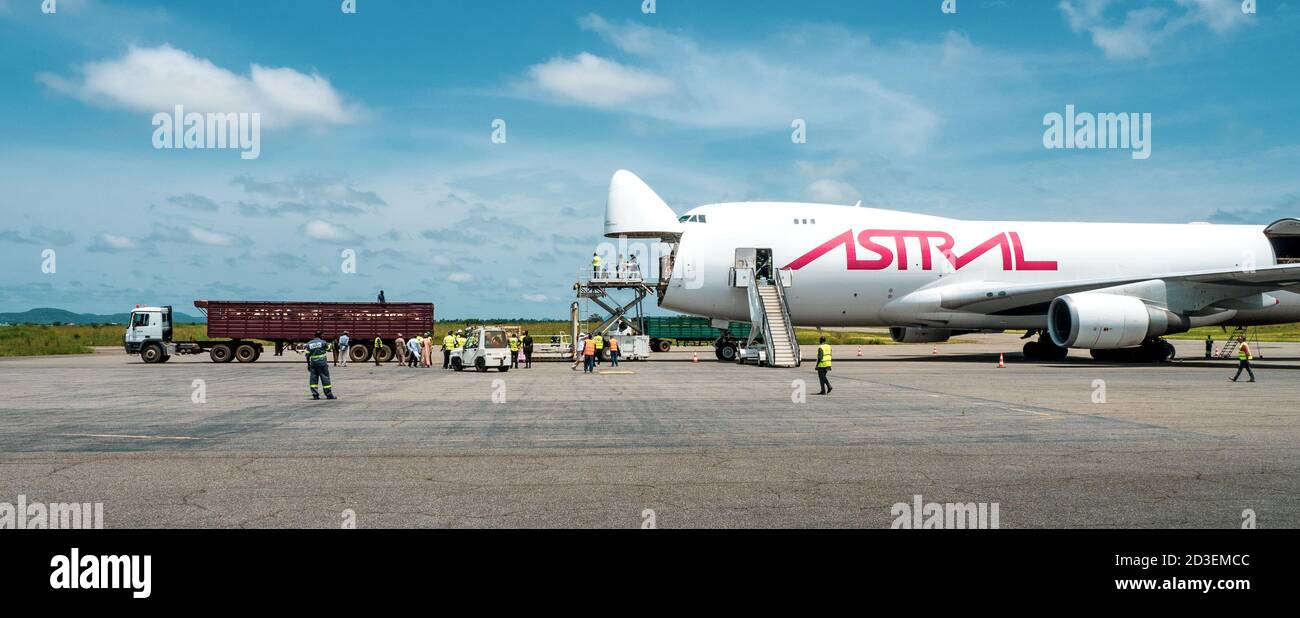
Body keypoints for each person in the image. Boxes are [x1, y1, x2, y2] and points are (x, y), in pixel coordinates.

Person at [306, 331, 336, 400]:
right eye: (323, 335)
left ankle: (315, 395)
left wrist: (308, 364)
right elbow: (329, 349)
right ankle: (328, 394)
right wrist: (331, 344)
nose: (323, 336)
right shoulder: (323, 342)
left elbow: (307, 355)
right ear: (320, 335)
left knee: (313, 379)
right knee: (325, 378)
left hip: (313, 364)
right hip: (322, 364)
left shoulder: (309, 344)